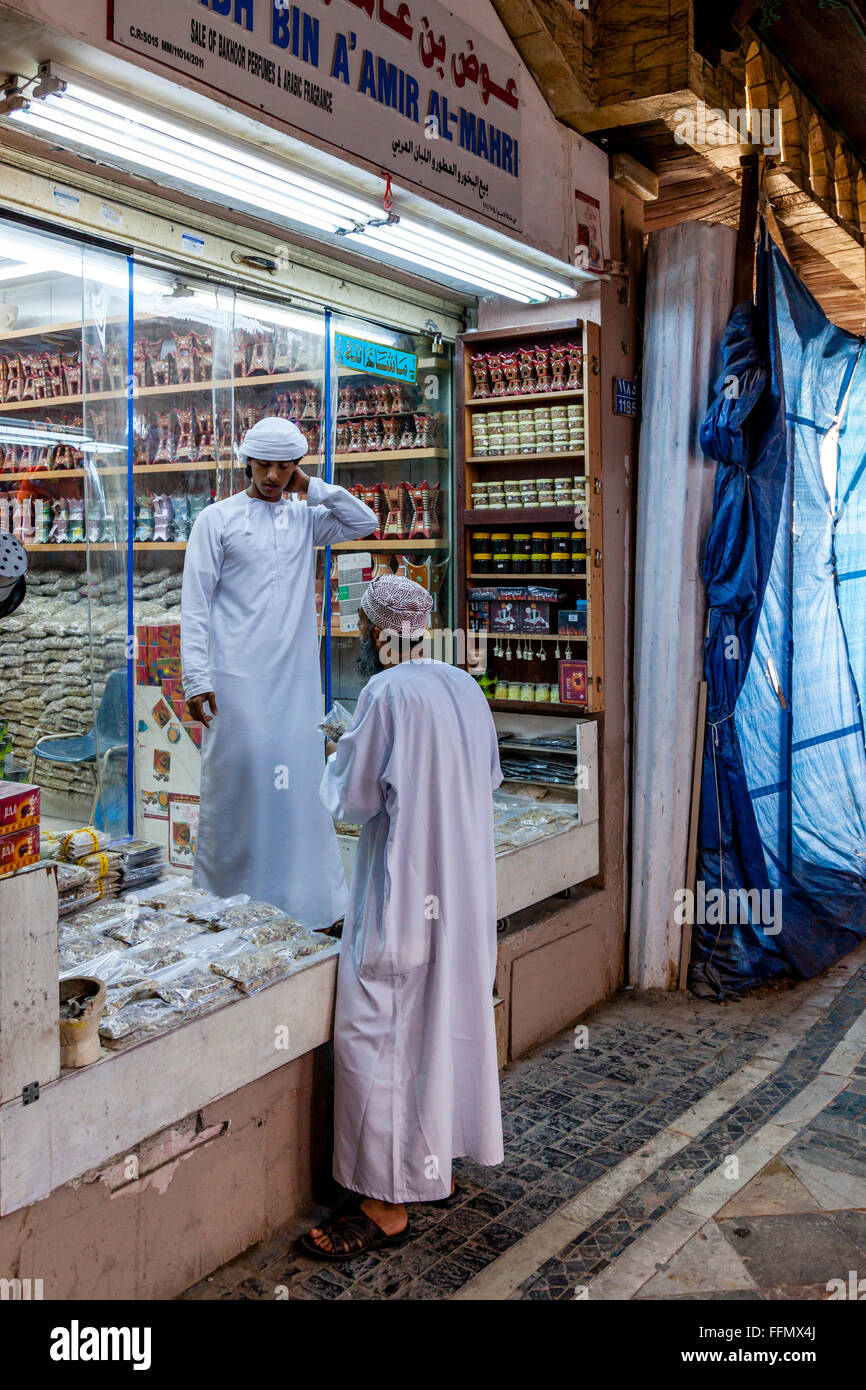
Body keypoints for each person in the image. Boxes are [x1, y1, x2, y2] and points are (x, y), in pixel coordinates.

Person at [299, 574, 504, 1260]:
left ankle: (385, 1203)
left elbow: (353, 801)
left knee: (378, 1039)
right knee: (438, 1033)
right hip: (461, 895)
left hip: (405, 896)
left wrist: (334, 753)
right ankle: (431, 1161)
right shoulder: (463, 686)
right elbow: (488, 780)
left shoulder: (386, 693)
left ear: (372, 632)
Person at [180, 416, 377, 926]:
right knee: (237, 785)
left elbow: (365, 522)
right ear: (247, 461)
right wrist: (196, 678)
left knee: (297, 791)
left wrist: (311, 487)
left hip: (294, 686)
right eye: (264, 464)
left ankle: (306, 905)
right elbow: (195, 605)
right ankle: (222, 905)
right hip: (235, 683)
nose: (272, 475)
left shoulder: (305, 517)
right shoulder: (216, 520)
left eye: (284, 466)